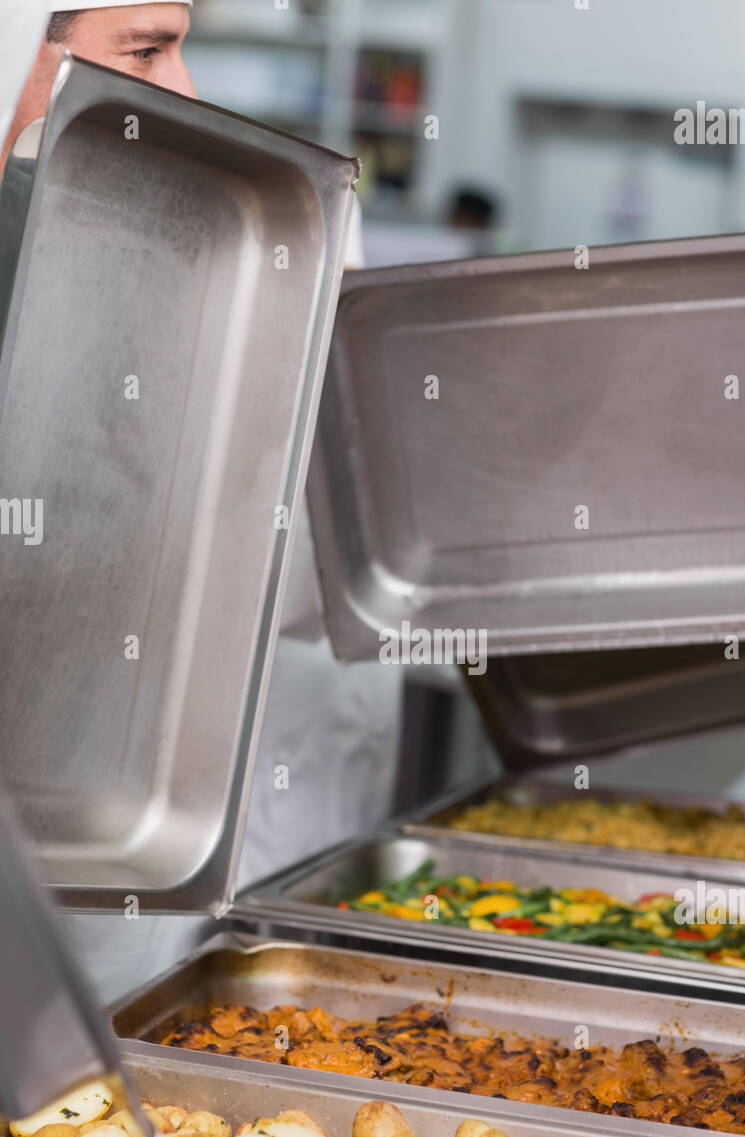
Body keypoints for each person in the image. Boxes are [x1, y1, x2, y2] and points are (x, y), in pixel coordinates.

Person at [1, 3, 403, 1000]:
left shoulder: (231, 247)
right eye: (146, 48)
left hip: (115, 920)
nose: (182, 88)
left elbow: (300, 577)